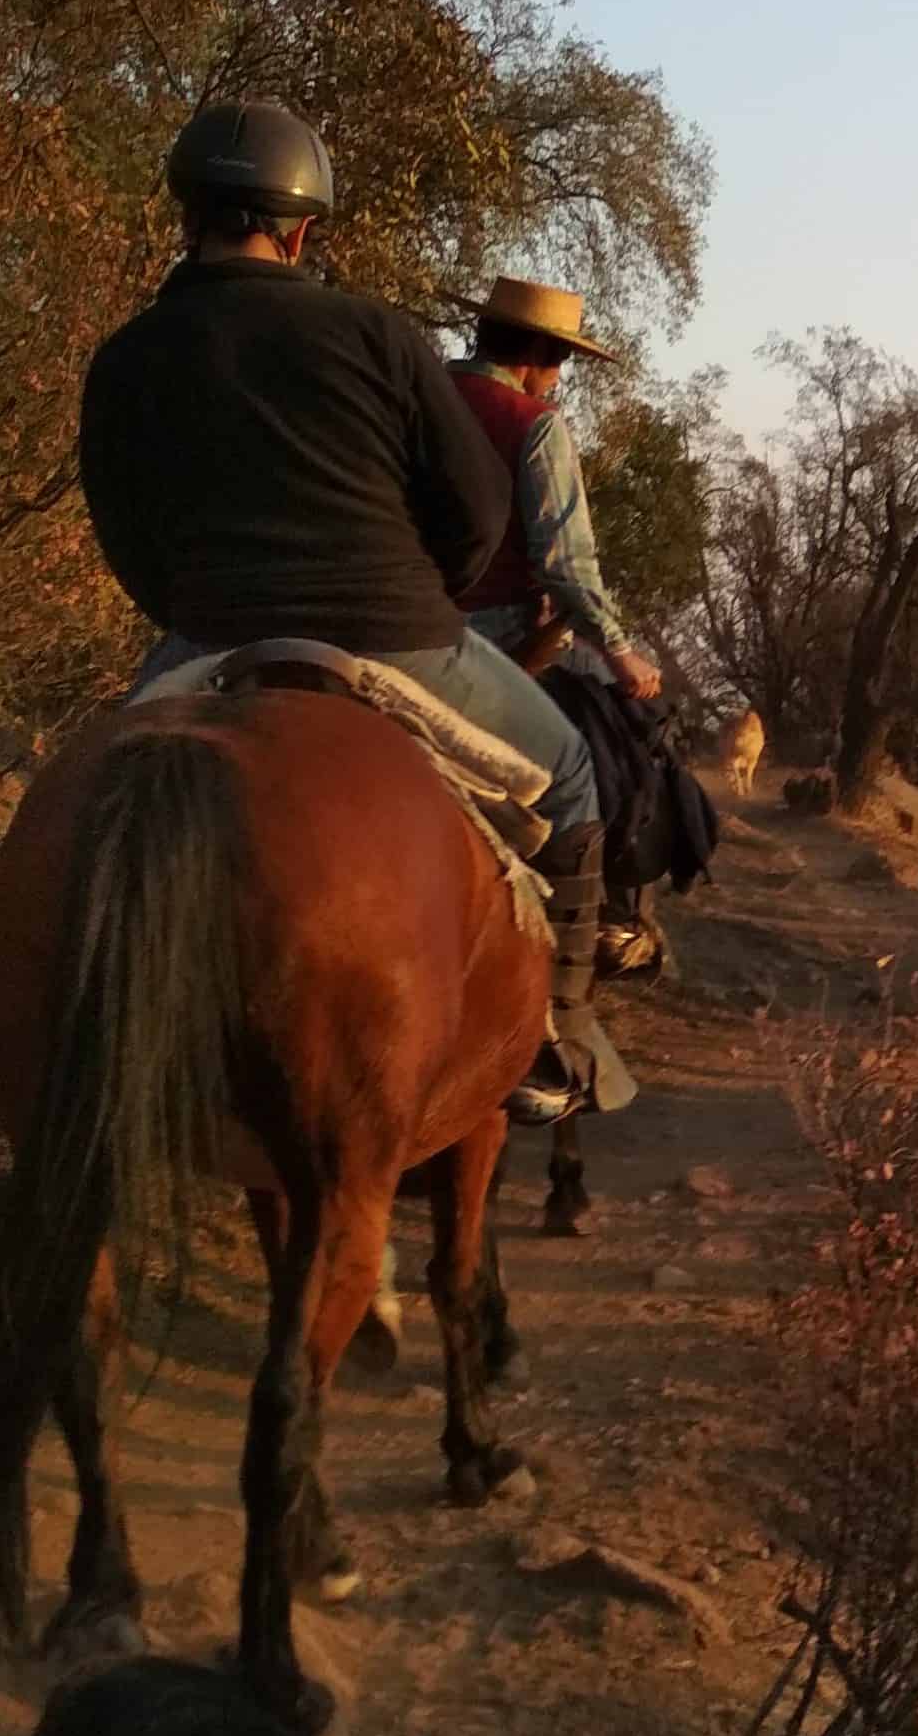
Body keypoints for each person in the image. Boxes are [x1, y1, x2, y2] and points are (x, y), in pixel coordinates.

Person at [74, 100, 609, 1127]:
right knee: (574, 776)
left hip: (208, 637)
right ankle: (559, 1041)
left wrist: (195, 611)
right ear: (303, 229)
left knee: (97, 810)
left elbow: (125, 533)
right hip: (395, 635)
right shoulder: (376, 333)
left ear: (186, 215)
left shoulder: (127, 357)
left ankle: (87, 1020)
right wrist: (423, 595)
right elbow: (476, 509)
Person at [446, 275, 675, 973]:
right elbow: (564, 564)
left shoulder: (421, 398)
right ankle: (606, 935)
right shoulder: (534, 423)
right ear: (538, 356)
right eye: (561, 361)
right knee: (626, 739)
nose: (558, 378)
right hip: (499, 636)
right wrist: (620, 650)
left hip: (395, 619)